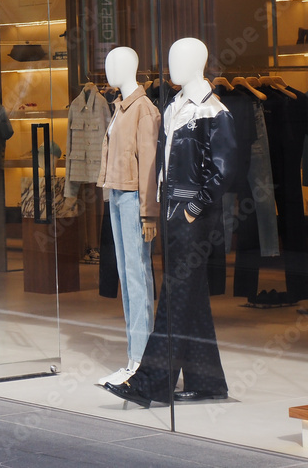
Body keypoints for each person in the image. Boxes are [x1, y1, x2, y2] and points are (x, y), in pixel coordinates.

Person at [105, 38, 235, 407]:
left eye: (179, 58)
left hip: (192, 216)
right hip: (173, 214)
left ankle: (150, 382)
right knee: (190, 298)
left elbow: (224, 170)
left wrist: (195, 206)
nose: (170, 64)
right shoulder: (176, 106)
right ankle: (208, 382)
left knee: (175, 297)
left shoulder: (213, 111)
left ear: (199, 63)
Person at [95, 47, 160, 386]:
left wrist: (149, 212)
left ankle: (142, 361)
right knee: (126, 275)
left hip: (134, 197)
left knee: (137, 277)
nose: (108, 69)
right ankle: (134, 358)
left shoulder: (144, 110)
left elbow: (149, 165)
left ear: (130, 66)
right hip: (117, 194)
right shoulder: (120, 107)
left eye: (114, 63)